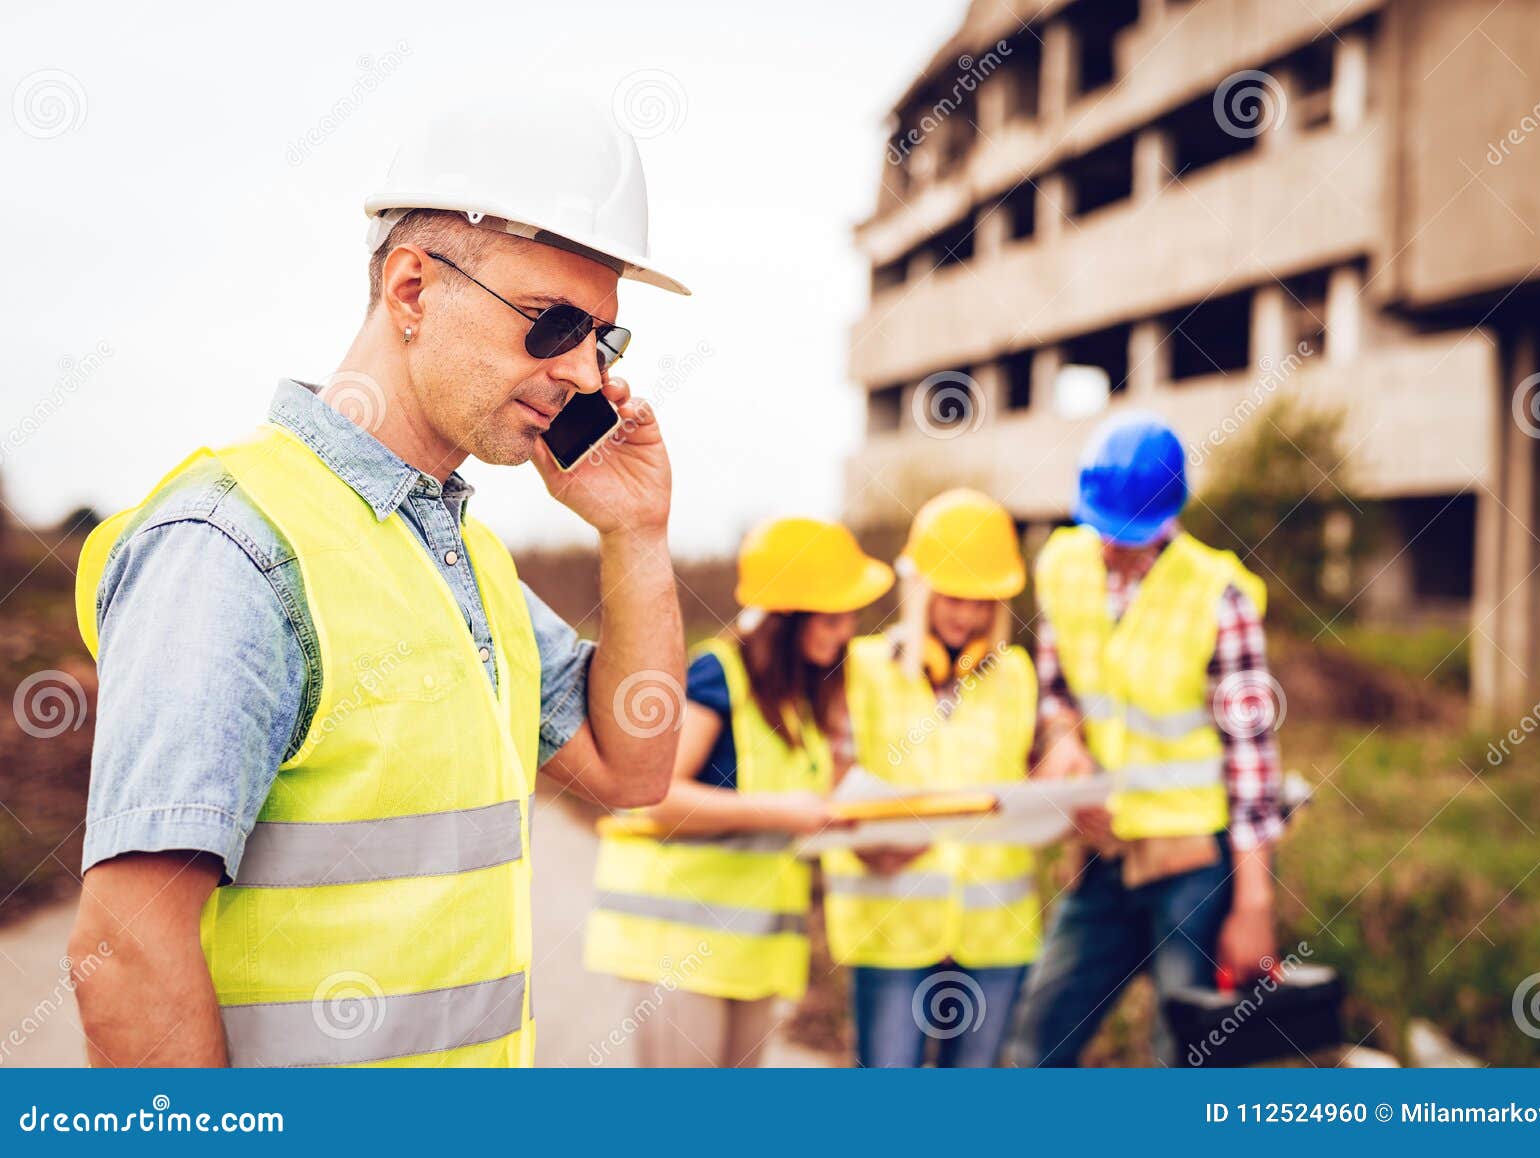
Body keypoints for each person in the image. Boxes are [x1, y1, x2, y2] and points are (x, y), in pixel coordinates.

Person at [66, 101, 690, 1068]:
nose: (581, 372)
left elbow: (632, 771)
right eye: (554, 323)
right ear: (411, 291)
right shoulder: (232, 544)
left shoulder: (461, 556)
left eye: (603, 340)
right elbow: (125, 952)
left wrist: (637, 535)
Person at [1010, 410, 1284, 1067]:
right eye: (1097, 528)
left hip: (1192, 870)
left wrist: (1255, 903)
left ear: (1168, 519)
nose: (1106, 546)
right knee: (1032, 1045)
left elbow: (1252, 764)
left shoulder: (1220, 600)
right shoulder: (1062, 569)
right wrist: (1062, 739)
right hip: (1105, 854)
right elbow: (1058, 693)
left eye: (1123, 535)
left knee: (1185, 1060)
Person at [585, 517, 893, 1067]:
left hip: (751, 955)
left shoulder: (803, 699)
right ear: (787, 618)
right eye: (833, 615)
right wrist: (783, 812)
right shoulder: (718, 675)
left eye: (851, 614)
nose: (847, 629)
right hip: (679, 951)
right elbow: (652, 798)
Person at [822, 489, 1042, 1067]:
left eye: (981, 602)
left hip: (995, 931)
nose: (967, 615)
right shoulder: (865, 668)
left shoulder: (1017, 675)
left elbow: (1037, 773)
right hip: (893, 922)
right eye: (953, 598)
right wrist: (865, 844)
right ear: (920, 589)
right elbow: (832, 780)